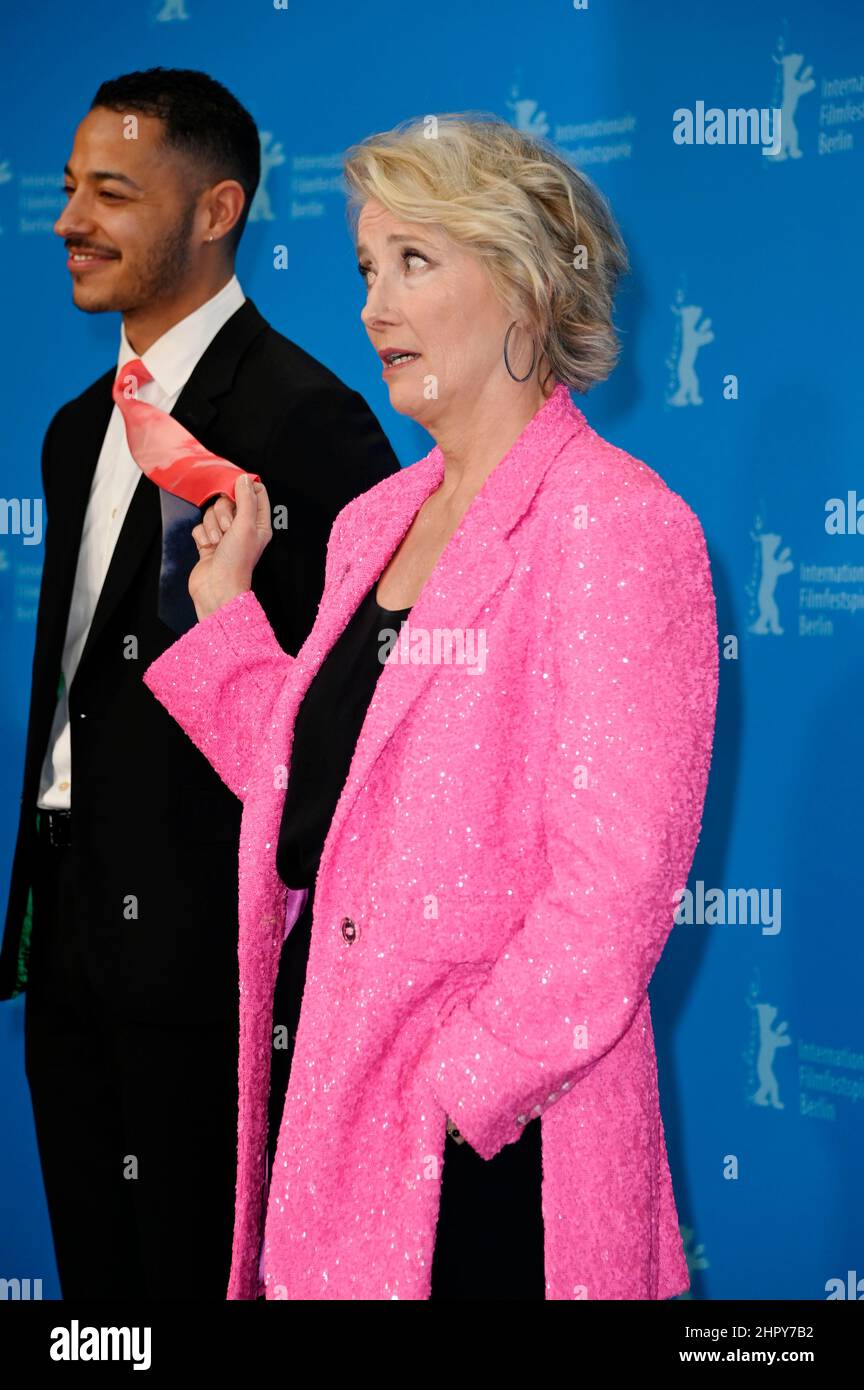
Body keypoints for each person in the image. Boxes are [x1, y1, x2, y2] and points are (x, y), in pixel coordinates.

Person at [142, 113, 719, 1300]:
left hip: (504, 1155)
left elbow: (613, 896)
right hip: (341, 1130)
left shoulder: (614, 526)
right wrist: (226, 614)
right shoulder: (374, 522)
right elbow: (320, 801)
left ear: (521, 283)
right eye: (366, 267)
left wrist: (461, 1089)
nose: (372, 308)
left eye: (414, 261)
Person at [0, 67, 399, 1301]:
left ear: (216, 209)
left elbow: (345, 732)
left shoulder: (309, 423)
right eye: (69, 189)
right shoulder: (77, 430)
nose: (69, 219)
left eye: (111, 192)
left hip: (212, 973)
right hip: (65, 948)